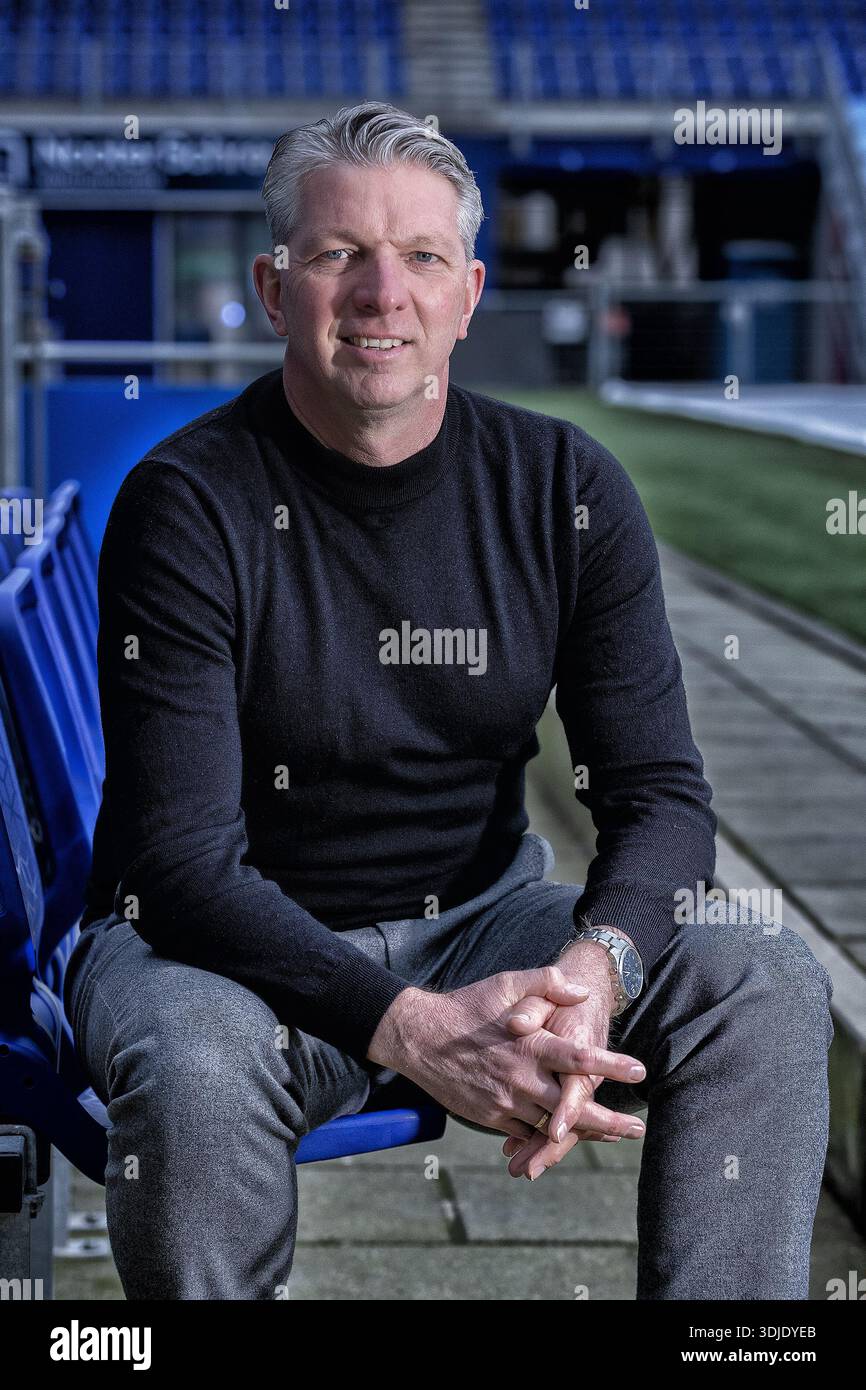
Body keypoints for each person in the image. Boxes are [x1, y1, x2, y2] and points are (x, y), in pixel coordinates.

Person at [65, 101, 834, 1301]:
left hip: (481, 922)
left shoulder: (563, 485)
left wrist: (595, 968)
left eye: (420, 256)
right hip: (218, 959)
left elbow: (659, 797)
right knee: (195, 1064)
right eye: (337, 256)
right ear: (275, 291)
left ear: (468, 295)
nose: (383, 295)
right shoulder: (189, 505)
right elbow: (179, 867)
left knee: (761, 976)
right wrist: (414, 1027)